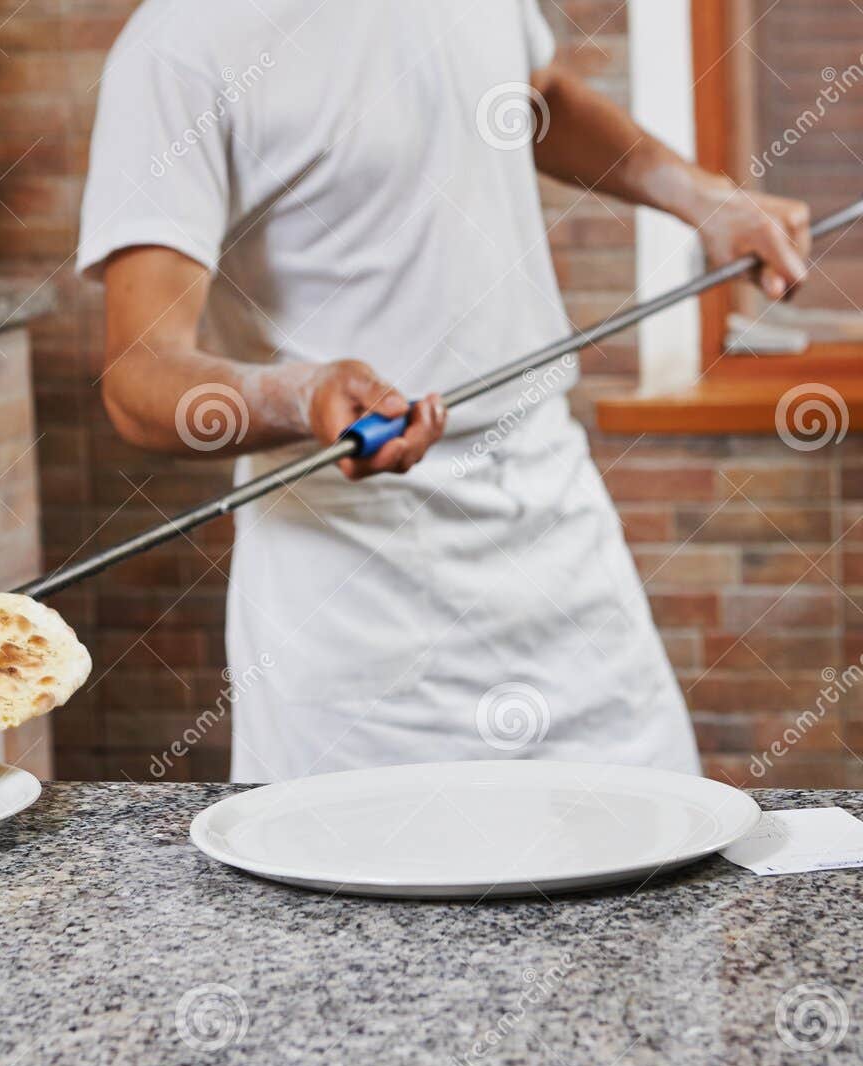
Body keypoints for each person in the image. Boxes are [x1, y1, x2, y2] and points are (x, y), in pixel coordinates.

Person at [76, 0, 812, 782]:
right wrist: (300, 396)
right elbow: (140, 375)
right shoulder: (177, 49)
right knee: (361, 893)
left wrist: (705, 200)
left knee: (653, 862)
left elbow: (536, 99)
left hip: (556, 534)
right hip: (356, 591)